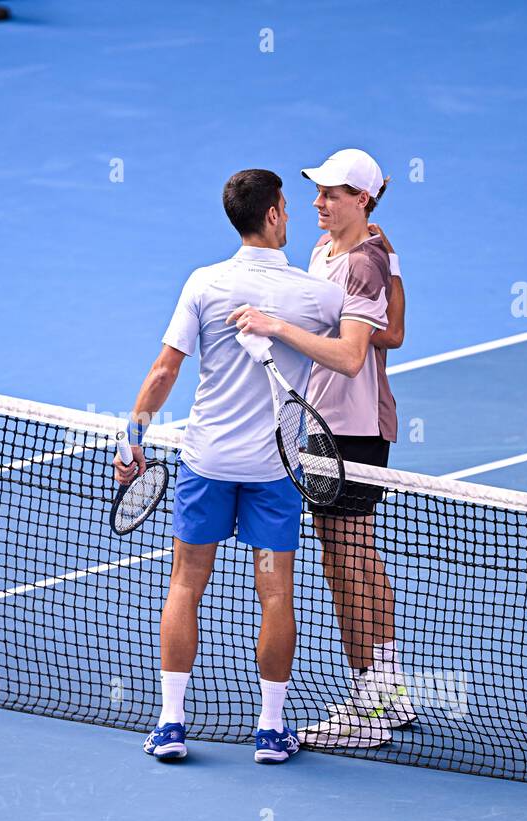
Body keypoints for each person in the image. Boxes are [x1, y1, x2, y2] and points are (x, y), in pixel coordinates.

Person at [117, 169, 372, 764]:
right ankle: (270, 728)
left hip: (206, 462)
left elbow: (164, 371)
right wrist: (373, 245)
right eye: (291, 204)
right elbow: (371, 339)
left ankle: (171, 723)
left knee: (185, 585)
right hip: (272, 470)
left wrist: (133, 439)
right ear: (276, 215)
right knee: (275, 593)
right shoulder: (317, 296)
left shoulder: (204, 283)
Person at [294, 149, 414, 749]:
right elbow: (387, 332)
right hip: (324, 420)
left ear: (361, 199)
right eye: (317, 192)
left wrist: (278, 330)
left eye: (331, 194)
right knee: (345, 553)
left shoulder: (363, 264)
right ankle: (384, 689)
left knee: (350, 556)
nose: (318, 202)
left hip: (354, 427)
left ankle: (373, 701)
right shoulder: (328, 252)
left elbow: (355, 353)